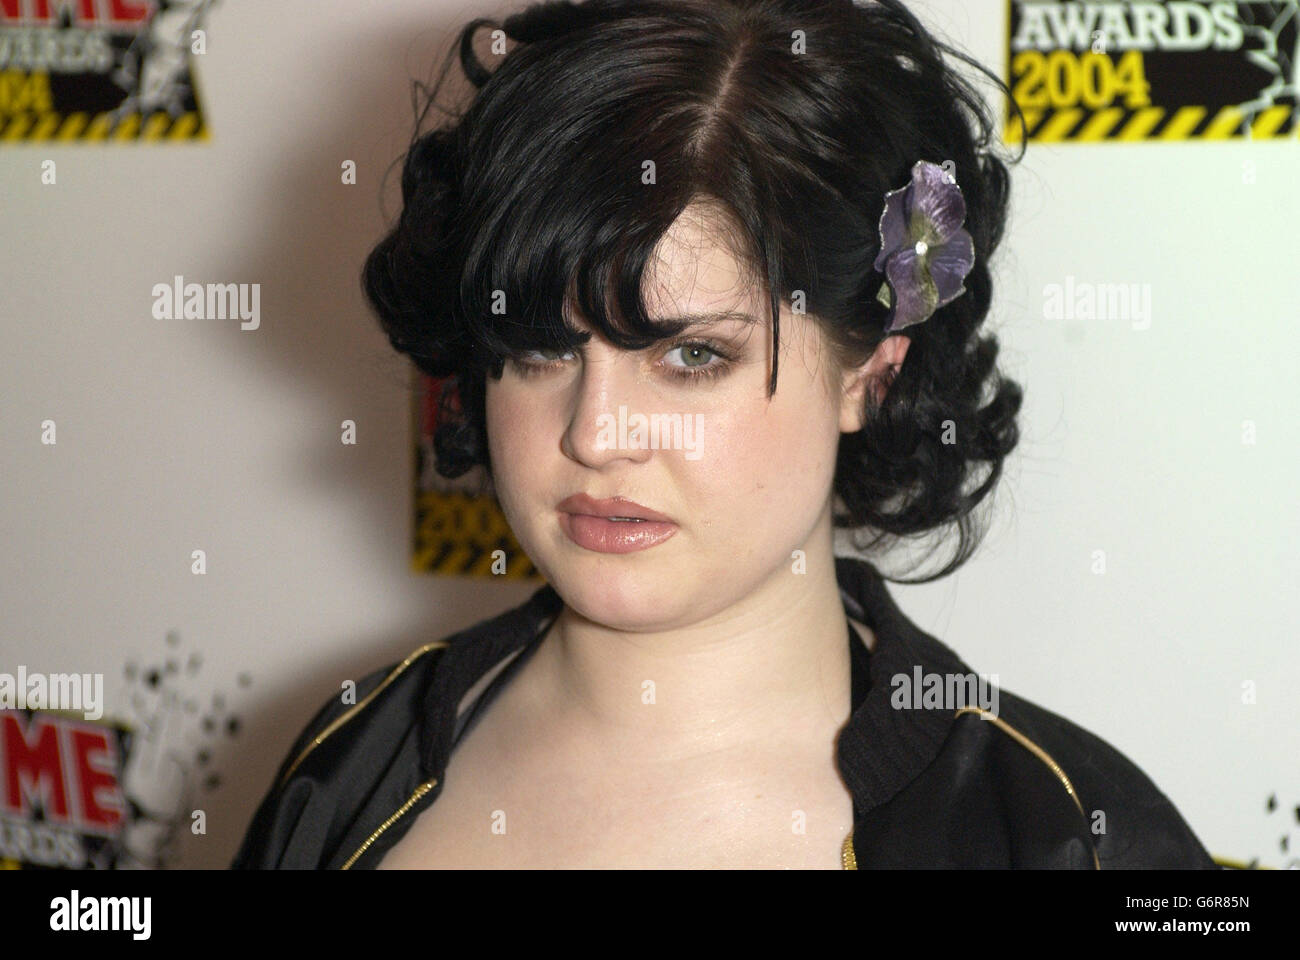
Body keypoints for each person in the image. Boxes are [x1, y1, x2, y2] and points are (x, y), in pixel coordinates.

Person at [231, 0, 1216, 869]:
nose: (595, 434)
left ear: (868, 372)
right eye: (540, 350)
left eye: (692, 356)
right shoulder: (355, 756)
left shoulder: (1059, 831)